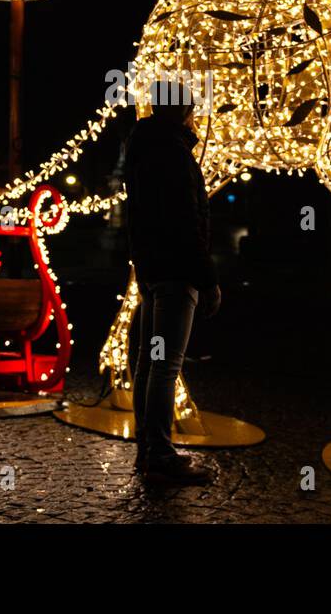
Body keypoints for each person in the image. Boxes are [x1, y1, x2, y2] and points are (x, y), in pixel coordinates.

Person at [124, 81, 221, 485]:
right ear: (180, 110)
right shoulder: (175, 154)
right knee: (165, 367)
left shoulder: (143, 149)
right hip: (177, 274)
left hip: (152, 272)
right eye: (189, 107)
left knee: (150, 365)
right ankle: (161, 455)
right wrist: (207, 278)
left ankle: (148, 450)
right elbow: (188, 223)